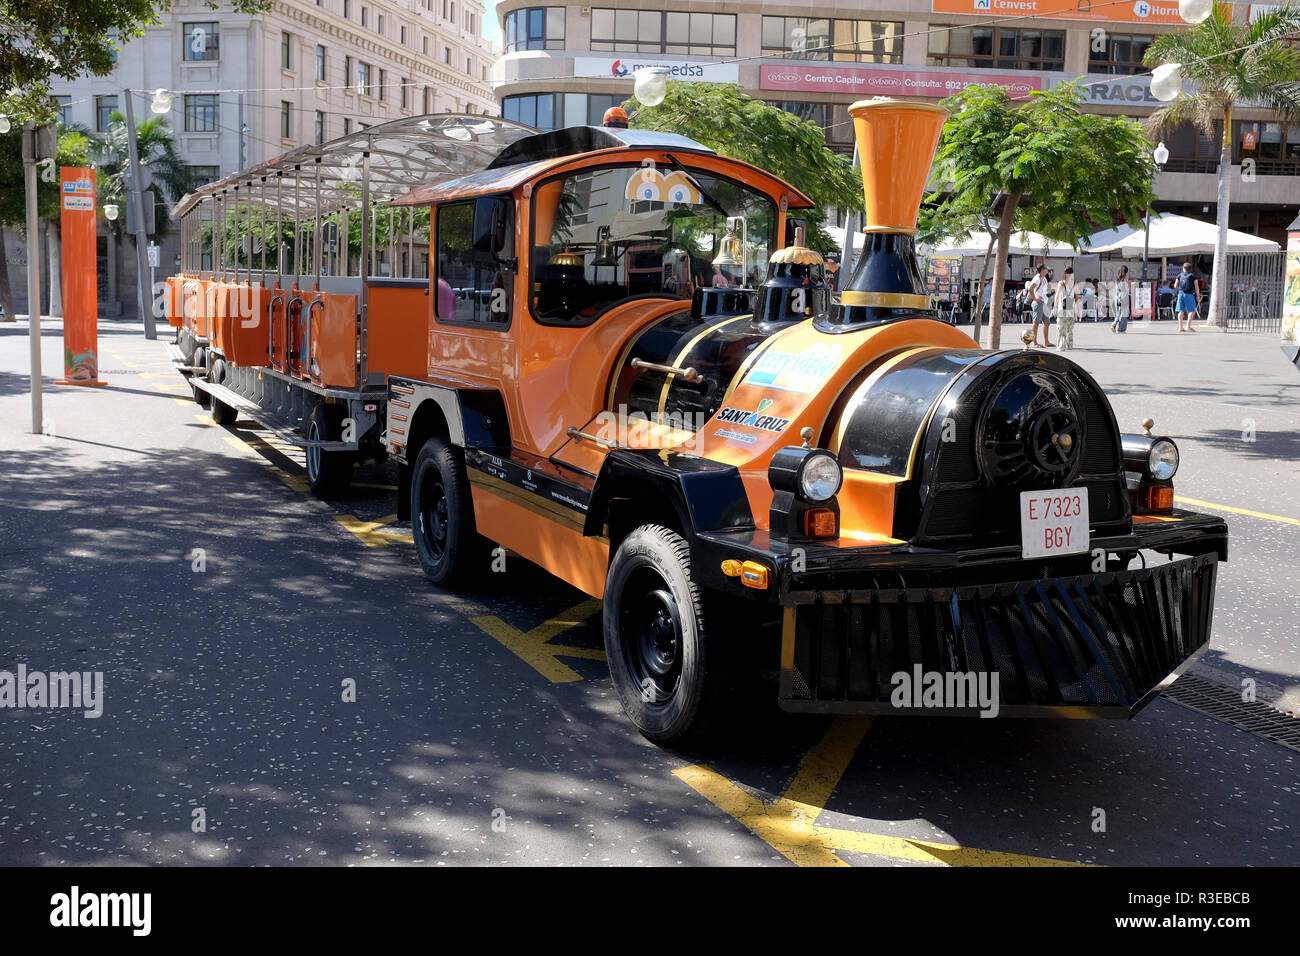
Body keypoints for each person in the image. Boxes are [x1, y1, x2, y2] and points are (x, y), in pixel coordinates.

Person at [1027, 264, 1052, 347]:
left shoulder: (1044, 278)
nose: (1047, 269)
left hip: (1044, 302)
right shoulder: (1037, 278)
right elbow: (1030, 289)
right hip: (1038, 303)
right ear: (1042, 270)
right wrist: (1035, 298)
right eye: (1045, 268)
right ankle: (1035, 343)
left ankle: (1046, 342)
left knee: (1047, 323)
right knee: (1036, 323)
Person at [1054, 266, 1079, 350]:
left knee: (1061, 328)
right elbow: (1077, 297)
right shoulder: (1075, 283)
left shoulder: (1061, 283)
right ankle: (1070, 345)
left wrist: (1055, 307)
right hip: (1071, 308)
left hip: (1062, 308)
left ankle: (1061, 346)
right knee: (1070, 328)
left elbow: (1057, 296)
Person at [1175, 261, 1202, 332]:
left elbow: (1175, 286)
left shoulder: (1179, 275)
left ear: (1183, 268)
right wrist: (1198, 296)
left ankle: (1180, 327)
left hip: (1180, 294)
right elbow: (1197, 287)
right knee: (1192, 310)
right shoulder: (1193, 276)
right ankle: (1188, 326)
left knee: (1181, 310)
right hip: (1189, 294)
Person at [1111, 265, 1131, 333]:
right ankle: (1121, 329)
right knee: (1124, 314)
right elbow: (1127, 288)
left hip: (1117, 297)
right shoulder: (1125, 278)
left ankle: (1113, 324)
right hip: (1124, 297)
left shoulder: (1116, 278)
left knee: (1118, 313)